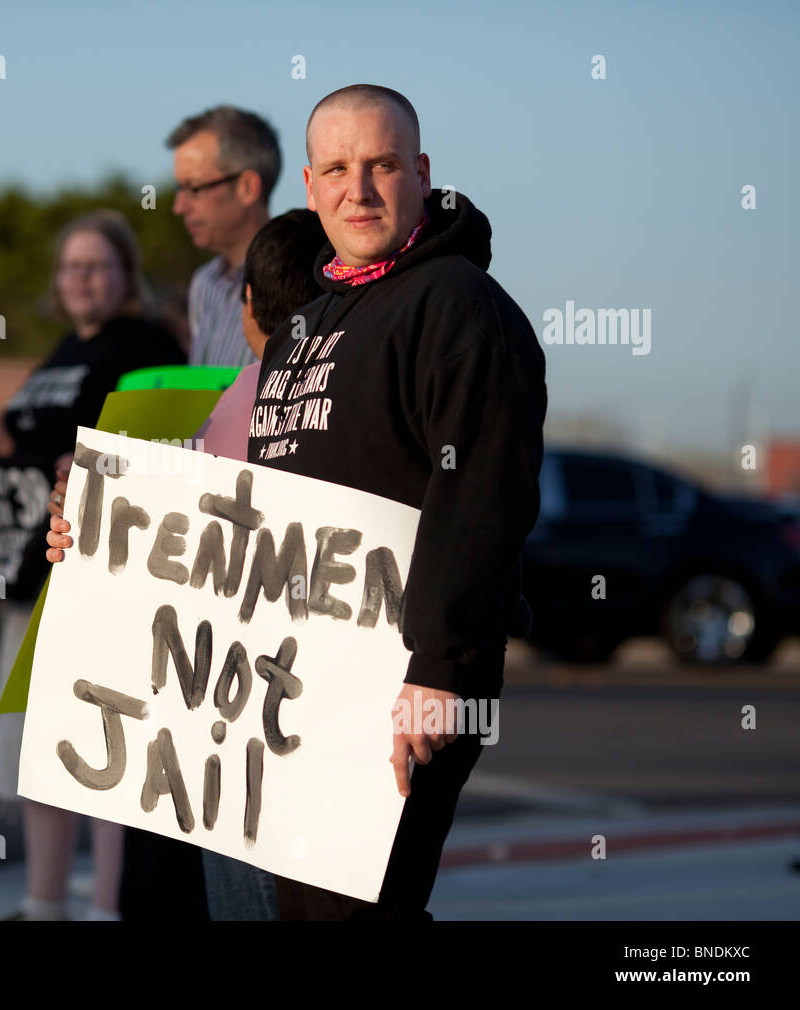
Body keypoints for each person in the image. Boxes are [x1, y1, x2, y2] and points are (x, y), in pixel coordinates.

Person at [249, 85, 547, 919]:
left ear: (420, 173)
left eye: (382, 164)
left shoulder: (458, 303)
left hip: (405, 685)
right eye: (338, 169)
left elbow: (483, 494)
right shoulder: (303, 326)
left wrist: (440, 669)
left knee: (357, 907)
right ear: (308, 187)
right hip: (295, 678)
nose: (360, 189)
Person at [43, 209, 328, 920]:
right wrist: (88, 514)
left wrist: (86, 518)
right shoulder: (352, 387)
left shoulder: (243, 394)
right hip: (281, 707)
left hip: (233, 714)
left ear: (250, 309)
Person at [0, 209, 184, 921]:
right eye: (72, 266)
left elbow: (162, 443)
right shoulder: (63, 350)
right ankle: (42, 904)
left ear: (127, 276)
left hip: (98, 571)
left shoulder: (147, 345)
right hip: (29, 571)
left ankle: (107, 908)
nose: (82, 278)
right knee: (32, 744)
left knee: (104, 750)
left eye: (98, 265)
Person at [168, 106, 280, 369]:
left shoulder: (304, 275)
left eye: (194, 189)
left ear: (248, 187)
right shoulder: (204, 283)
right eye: (178, 189)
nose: (179, 206)